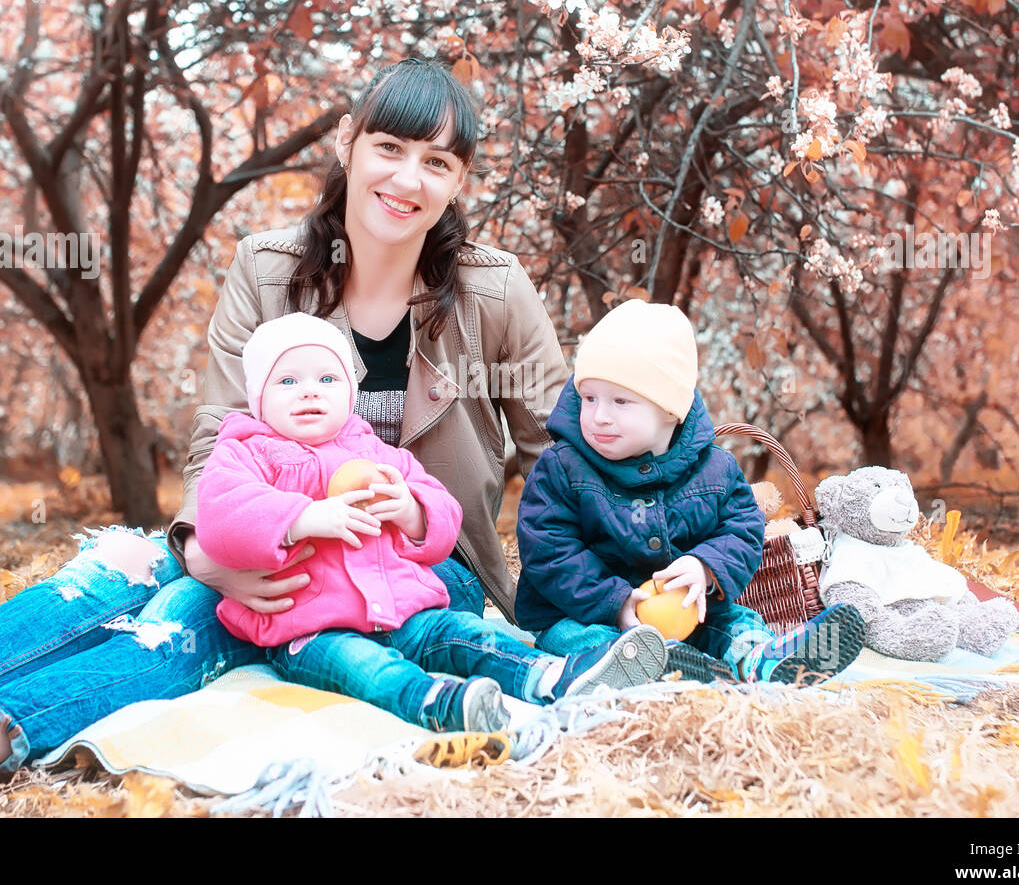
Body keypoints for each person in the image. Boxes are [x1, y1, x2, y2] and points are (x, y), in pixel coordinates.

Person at [0, 58, 572, 804]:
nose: (408, 178)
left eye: (437, 162)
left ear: (458, 180)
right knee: (123, 564)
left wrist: (596, 601)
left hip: (420, 568)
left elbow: (565, 460)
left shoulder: (494, 291)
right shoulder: (268, 269)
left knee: (186, 617)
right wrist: (204, 553)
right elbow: (216, 437)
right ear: (348, 142)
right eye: (389, 147)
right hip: (262, 531)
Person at [195, 313, 667, 731]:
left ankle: (553, 677)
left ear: (350, 392)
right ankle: (439, 704)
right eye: (287, 382)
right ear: (258, 398)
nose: (310, 391)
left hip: (406, 613)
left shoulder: (377, 454)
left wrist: (410, 511)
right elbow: (221, 520)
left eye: (326, 378)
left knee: (470, 635)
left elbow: (445, 517)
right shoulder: (247, 451)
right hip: (312, 627)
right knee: (364, 667)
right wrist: (302, 517)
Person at [515, 299, 867, 684]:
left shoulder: (715, 469)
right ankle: (655, 665)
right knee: (580, 639)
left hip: (687, 610)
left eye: (620, 401)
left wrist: (706, 566)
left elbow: (742, 529)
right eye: (589, 398)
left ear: (670, 410)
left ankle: (762, 657)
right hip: (582, 612)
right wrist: (613, 601)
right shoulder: (562, 467)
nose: (599, 415)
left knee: (733, 620)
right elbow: (548, 549)